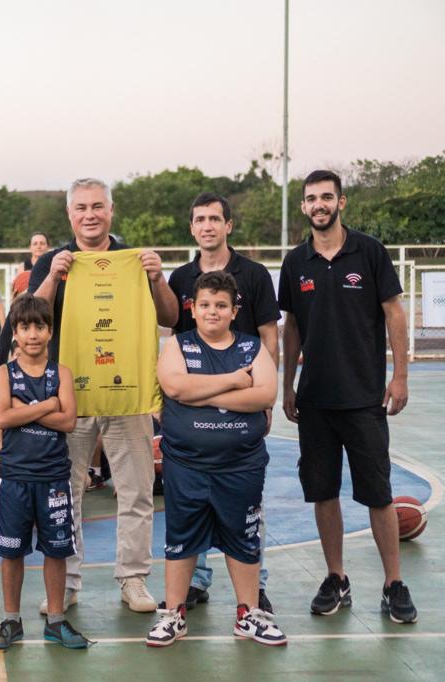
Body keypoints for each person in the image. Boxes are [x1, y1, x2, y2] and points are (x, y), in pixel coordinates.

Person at [28, 177, 178, 614]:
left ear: (111, 210)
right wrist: (54, 277)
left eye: (98, 206)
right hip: (68, 395)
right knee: (67, 491)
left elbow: (169, 317)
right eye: (81, 208)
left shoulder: (134, 259)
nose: (90, 214)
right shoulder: (56, 261)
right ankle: (67, 582)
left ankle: (133, 578)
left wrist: (157, 277)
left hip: (127, 392)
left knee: (135, 490)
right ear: (69, 215)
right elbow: (30, 317)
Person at [280, 170, 417, 624]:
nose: (319, 205)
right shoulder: (295, 262)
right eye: (311, 199)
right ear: (303, 207)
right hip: (316, 400)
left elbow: (393, 311)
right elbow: (293, 327)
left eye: (326, 197)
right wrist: (287, 386)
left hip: (364, 398)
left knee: (378, 494)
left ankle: (393, 583)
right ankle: (336, 577)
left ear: (341, 202)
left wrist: (399, 375)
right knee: (323, 492)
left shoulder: (370, 252)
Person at [147, 272, 286, 647]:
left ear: (233, 310)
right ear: (192, 309)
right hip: (187, 464)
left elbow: (264, 396)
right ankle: (174, 614)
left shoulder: (252, 347)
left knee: (244, 538)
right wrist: (232, 382)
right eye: (205, 304)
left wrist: (201, 394)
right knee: (182, 538)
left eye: (221, 306)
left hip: (241, 464)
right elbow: (174, 386)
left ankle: (248, 614)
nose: (212, 312)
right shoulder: (178, 345)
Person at [166, 193, 280, 612]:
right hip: (198, 407)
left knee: (246, 502)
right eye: (200, 219)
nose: (208, 225)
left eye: (216, 218)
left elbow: (270, 333)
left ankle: (256, 585)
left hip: (243, 402)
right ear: (192, 228)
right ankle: (195, 581)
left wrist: (267, 395)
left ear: (229, 225)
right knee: (192, 502)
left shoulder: (252, 274)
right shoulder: (180, 278)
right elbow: (177, 341)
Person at [0, 295, 90, 650]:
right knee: (11, 551)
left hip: (53, 478)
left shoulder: (61, 373)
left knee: (57, 550)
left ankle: (56, 621)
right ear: (14, 332)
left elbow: (69, 421)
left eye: (39, 327)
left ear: (50, 331)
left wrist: (26, 407)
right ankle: (12, 621)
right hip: (15, 477)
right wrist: (49, 404)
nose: (32, 334)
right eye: (25, 327)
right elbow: (2, 417)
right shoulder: (3, 373)